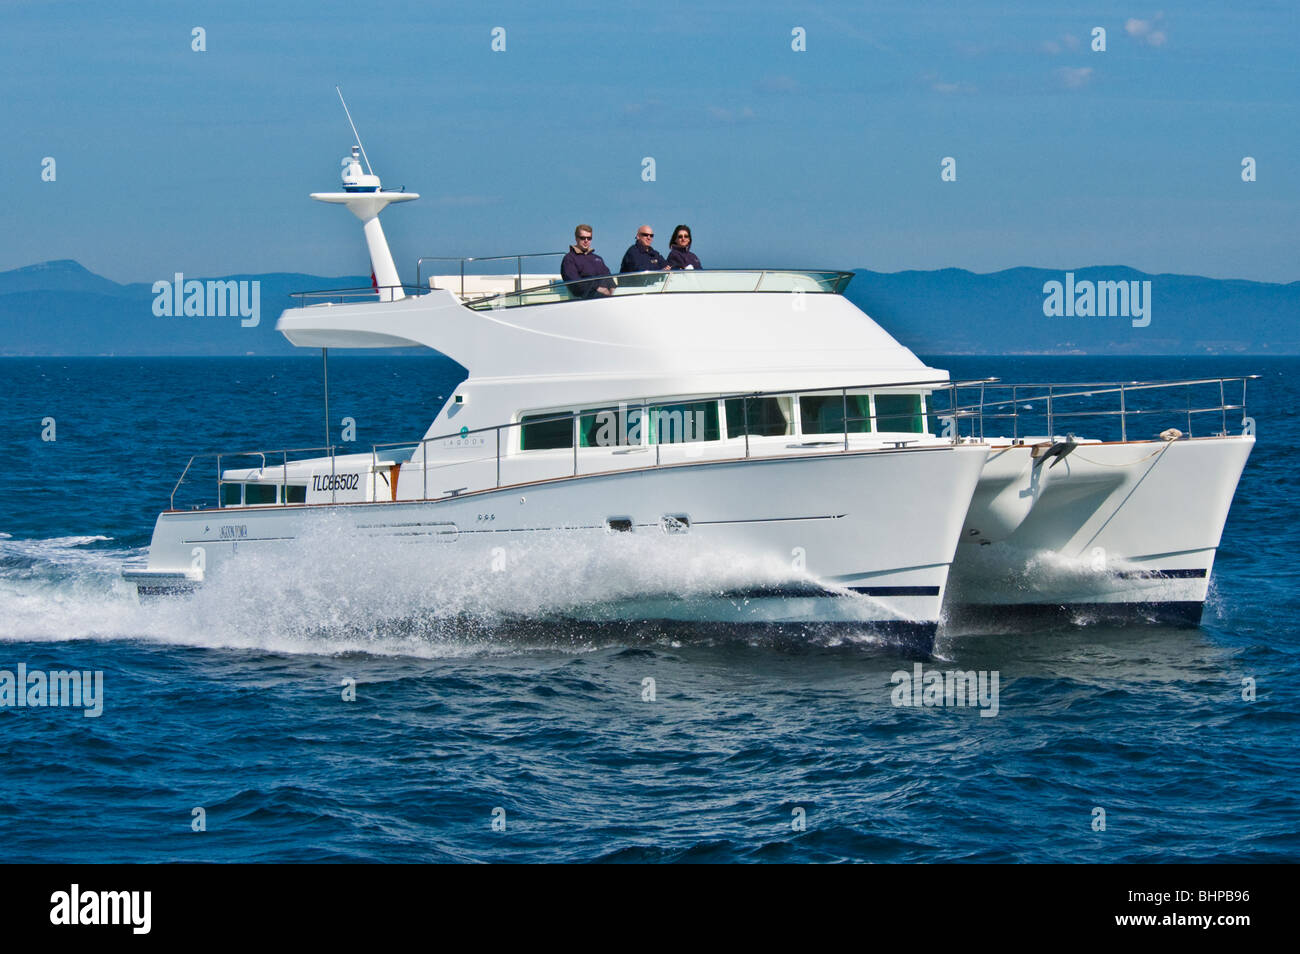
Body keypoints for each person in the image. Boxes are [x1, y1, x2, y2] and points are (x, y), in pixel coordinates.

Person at [560, 224, 616, 298]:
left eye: (589, 238)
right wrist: (597, 288)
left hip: (607, 297)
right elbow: (575, 285)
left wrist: (613, 289)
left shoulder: (598, 259)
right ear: (576, 238)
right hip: (585, 299)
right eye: (582, 238)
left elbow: (608, 276)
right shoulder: (569, 259)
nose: (586, 240)